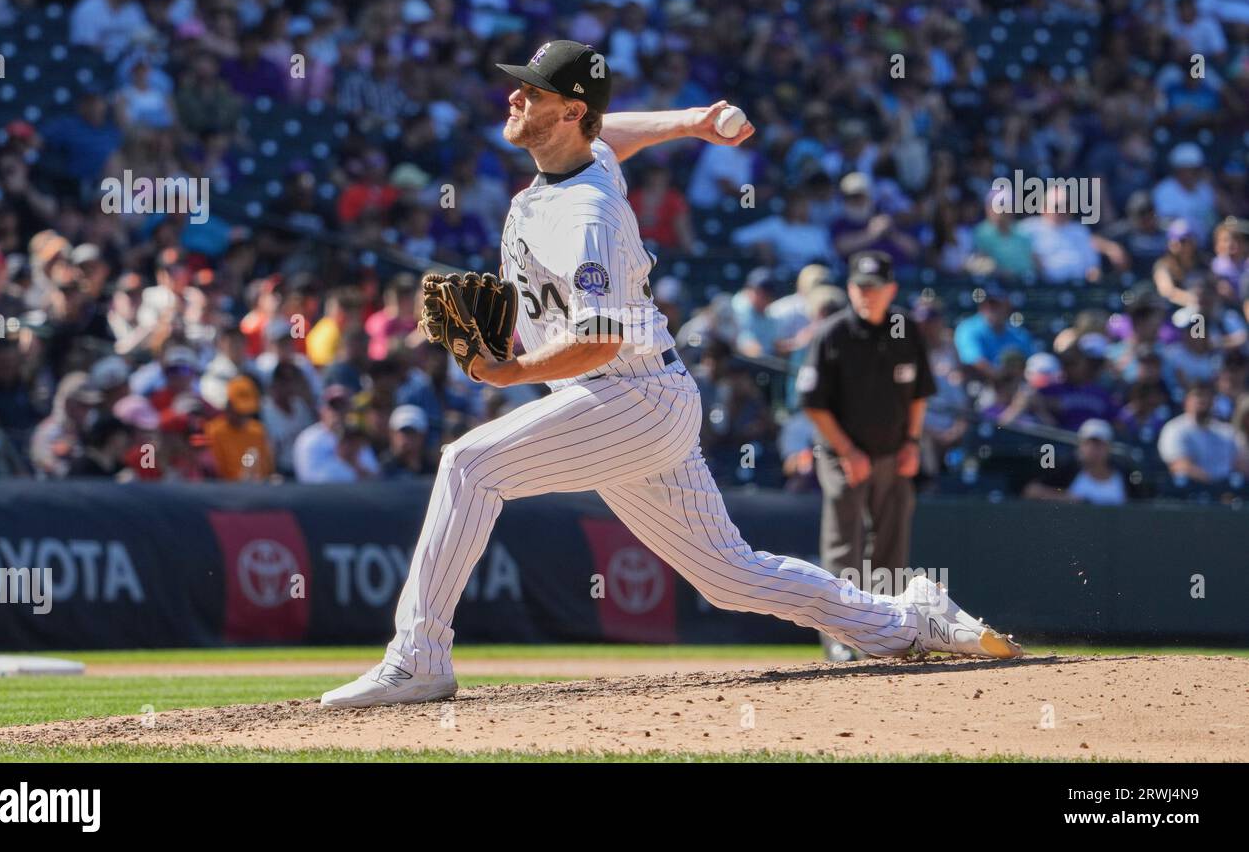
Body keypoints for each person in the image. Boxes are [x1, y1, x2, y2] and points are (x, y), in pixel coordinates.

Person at [322, 42, 1021, 709]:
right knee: (730, 574)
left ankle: (419, 657)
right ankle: (906, 619)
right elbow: (613, 131)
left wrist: (508, 373)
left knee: (469, 465)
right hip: (631, 399)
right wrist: (691, 121)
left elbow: (599, 339)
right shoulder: (586, 162)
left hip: (626, 395)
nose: (513, 95)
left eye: (530, 90)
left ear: (567, 112)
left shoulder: (588, 213)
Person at [799, 251, 938, 662]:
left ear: (891, 290)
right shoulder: (834, 333)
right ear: (849, 288)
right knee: (844, 547)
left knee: (891, 550)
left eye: (875, 287)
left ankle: (886, 634)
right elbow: (812, 402)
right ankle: (839, 637)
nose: (867, 294)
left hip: (894, 455)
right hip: (841, 454)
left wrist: (913, 443)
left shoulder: (905, 329)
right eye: (860, 286)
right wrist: (847, 451)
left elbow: (919, 394)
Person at [1022, 419, 1128, 505]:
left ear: (1108, 447)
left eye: (1099, 444)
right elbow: (1032, 491)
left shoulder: (1123, 473)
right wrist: (1067, 498)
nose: (1093, 449)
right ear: (1080, 446)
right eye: (1089, 444)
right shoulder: (1067, 468)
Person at [1156, 382, 1244, 483]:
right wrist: (1214, 485)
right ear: (1186, 400)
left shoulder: (1227, 431)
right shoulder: (1174, 428)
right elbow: (1179, 465)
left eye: (1208, 395)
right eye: (1198, 395)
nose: (1203, 399)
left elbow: (1240, 463)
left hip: (1227, 491)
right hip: (1192, 492)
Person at [203, 375, 274, 481]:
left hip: (259, 490)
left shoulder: (258, 430)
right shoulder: (213, 431)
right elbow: (215, 473)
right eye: (239, 411)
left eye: (247, 411)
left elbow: (268, 468)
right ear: (228, 405)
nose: (243, 416)